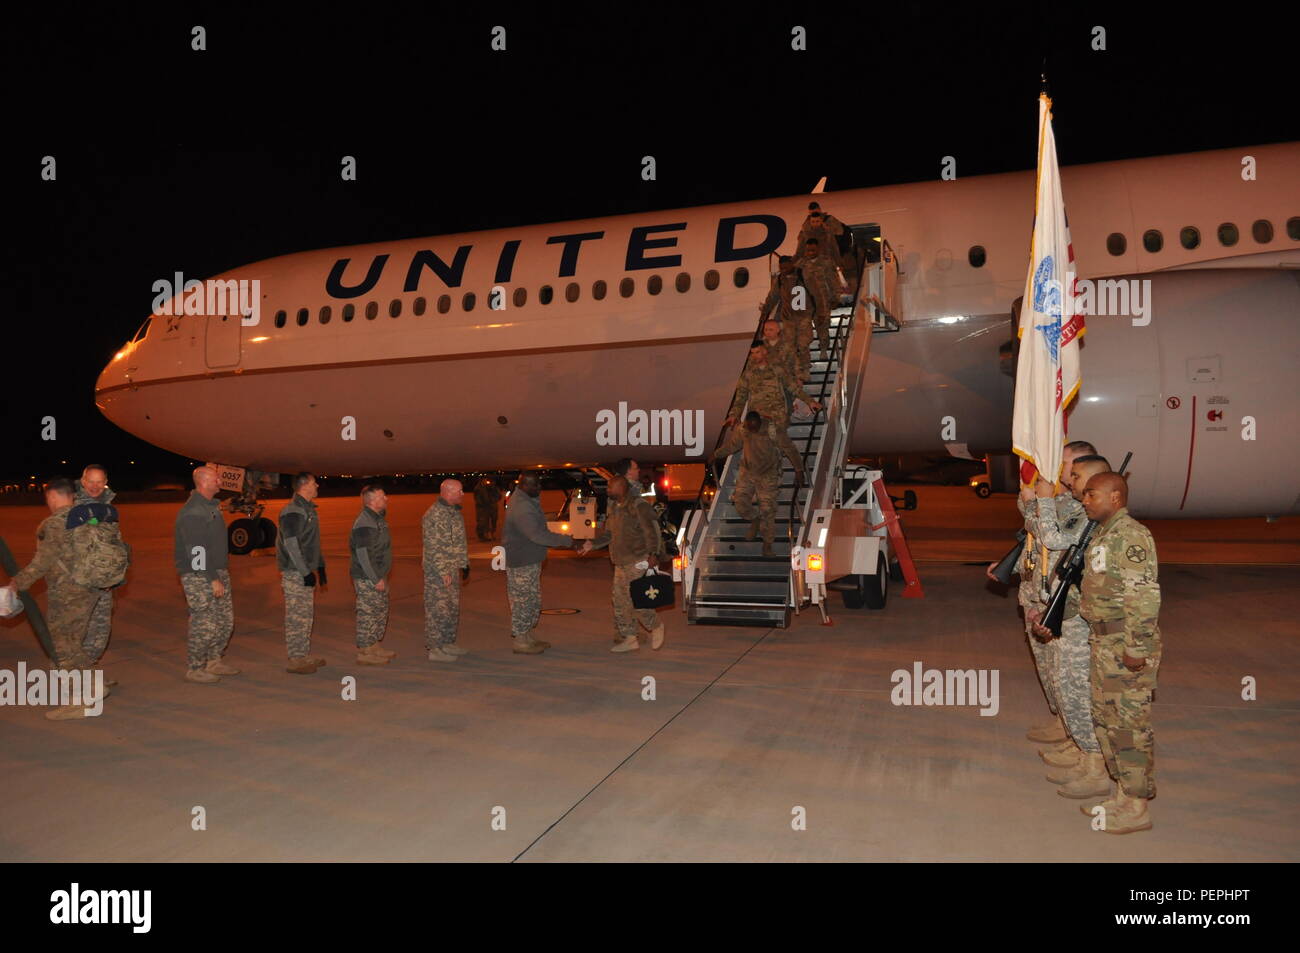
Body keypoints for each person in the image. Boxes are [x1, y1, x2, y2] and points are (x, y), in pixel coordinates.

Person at [990, 440, 1096, 747]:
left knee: (1068, 675)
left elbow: (1053, 538)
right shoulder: (1062, 500)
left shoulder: (1081, 505)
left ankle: (1079, 737)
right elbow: (1034, 536)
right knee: (1049, 668)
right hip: (1036, 591)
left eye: (1062, 462)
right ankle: (1062, 721)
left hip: (1060, 601)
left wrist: (1041, 502)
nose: (1057, 467)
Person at [1076, 471, 1162, 834]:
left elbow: (1143, 596)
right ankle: (1124, 794)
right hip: (1104, 642)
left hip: (1124, 644)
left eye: (1090, 494)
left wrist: (1136, 647)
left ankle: (1137, 807)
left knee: (1129, 727)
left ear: (1114, 497)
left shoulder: (1130, 535)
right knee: (1106, 720)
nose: (1084, 501)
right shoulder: (1103, 534)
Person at [1027, 454, 1113, 798]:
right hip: (1067, 610)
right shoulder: (1082, 511)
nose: (1069, 479)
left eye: (1075, 474)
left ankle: (1095, 765)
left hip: (1081, 619)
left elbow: (1054, 539)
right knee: (1066, 686)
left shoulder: (1094, 518)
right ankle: (1082, 752)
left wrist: (1043, 501)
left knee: (1080, 690)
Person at [2, 478, 111, 719]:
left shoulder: (52, 524)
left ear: (51, 497)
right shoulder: (89, 517)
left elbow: (43, 562)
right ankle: (94, 685)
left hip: (68, 593)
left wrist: (16, 583)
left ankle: (78, 702)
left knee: (65, 646)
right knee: (74, 642)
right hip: (92, 589)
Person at [583, 475, 666, 652]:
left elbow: (653, 532)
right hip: (620, 563)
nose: (607, 489)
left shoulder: (638, 506)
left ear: (622, 488)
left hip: (638, 561)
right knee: (620, 602)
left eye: (610, 487)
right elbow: (609, 534)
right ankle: (630, 638)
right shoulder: (614, 507)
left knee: (638, 601)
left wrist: (654, 554)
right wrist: (593, 544)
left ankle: (656, 626)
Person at [173, 466, 239, 683]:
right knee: (204, 622)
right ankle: (195, 667)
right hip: (198, 573)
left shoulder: (209, 505)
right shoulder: (193, 511)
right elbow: (196, 550)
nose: (220, 480)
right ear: (202, 482)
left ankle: (214, 661)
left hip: (216, 570)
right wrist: (211, 578)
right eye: (215, 478)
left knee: (224, 621)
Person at [502, 472, 578, 654]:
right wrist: (569, 541)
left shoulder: (527, 500)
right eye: (535, 485)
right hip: (522, 562)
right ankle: (521, 640)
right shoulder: (522, 506)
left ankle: (527, 635)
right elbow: (537, 534)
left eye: (539, 484)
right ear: (524, 485)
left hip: (529, 559)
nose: (539, 488)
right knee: (523, 600)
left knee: (531, 600)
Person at [723, 341, 821, 478]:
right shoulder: (748, 373)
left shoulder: (777, 369)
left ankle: (790, 471)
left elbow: (793, 387)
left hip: (777, 415)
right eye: (752, 353)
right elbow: (741, 396)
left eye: (757, 352)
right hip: (757, 417)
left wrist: (810, 401)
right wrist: (734, 414)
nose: (754, 356)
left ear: (764, 352)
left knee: (775, 443)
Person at [708, 411, 784, 556]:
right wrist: (716, 454)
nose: (753, 430)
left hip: (767, 473)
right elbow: (732, 445)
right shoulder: (743, 430)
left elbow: (787, 446)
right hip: (748, 472)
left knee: (767, 510)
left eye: (755, 427)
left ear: (759, 423)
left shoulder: (770, 429)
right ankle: (754, 519)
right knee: (739, 502)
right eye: (750, 427)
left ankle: (767, 544)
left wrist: (798, 468)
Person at [277, 472, 327, 674]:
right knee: (297, 616)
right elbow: (291, 544)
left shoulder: (307, 509)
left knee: (306, 616)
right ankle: (296, 659)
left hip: (305, 570)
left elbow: (311, 542)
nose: (317, 486)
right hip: (294, 572)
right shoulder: (293, 511)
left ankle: (303, 654)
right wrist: (305, 571)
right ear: (305, 485)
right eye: (315, 483)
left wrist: (320, 566)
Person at [422, 478, 469, 662]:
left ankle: (447, 642)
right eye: (460, 491)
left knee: (451, 608)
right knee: (437, 610)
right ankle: (435, 648)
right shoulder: (434, 515)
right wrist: (443, 571)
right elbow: (433, 547)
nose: (462, 494)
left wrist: (464, 564)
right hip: (438, 572)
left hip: (452, 568)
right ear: (448, 492)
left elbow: (457, 542)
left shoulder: (453, 512)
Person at [73, 465, 116, 665]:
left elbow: (114, 543)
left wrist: (114, 574)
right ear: (83, 482)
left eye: (99, 481)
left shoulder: (109, 507)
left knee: (100, 630)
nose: (95, 486)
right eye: (91, 481)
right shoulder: (73, 506)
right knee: (80, 630)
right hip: (81, 581)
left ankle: (89, 670)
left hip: (103, 581)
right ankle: (74, 676)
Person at [350, 484, 396, 665]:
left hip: (378, 574)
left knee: (379, 611)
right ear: (373, 500)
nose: (386, 499)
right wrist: (375, 578)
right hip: (367, 576)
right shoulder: (364, 523)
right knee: (368, 613)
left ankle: (374, 646)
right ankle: (365, 652)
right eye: (383, 496)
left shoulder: (377, 519)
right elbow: (363, 554)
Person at [759, 256, 814, 380]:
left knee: (803, 344)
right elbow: (773, 297)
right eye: (781, 268)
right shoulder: (780, 280)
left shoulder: (802, 275)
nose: (783, 270)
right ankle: (796, 371)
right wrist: (765, 311)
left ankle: (805, 369)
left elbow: (815, 291)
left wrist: (819, 311)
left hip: (803, 316)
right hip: (788, 318)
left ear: (792, 264)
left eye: (785, 267)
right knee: (790, 346)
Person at [798, 238, 844, 356]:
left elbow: (833, 280)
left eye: (813, 249)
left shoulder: (826, 261)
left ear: (818, 248)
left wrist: (836, 298)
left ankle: (823, 348)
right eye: (808, 250)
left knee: (822, 325)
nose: (810, 252)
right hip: (806, 300)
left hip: (823, 299)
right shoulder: (801, 263)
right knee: (804, 326)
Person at [474, 477, 503, 541]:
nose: (488, 482)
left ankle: (490, 535)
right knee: (483, 522)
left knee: (493, 522)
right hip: (484, 508)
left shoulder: (493, 488)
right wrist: (485, 503)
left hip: (492, 508)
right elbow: (479, 499)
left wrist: (493, 499)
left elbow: (499, 496)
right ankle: (484, 535)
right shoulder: (480, 488)